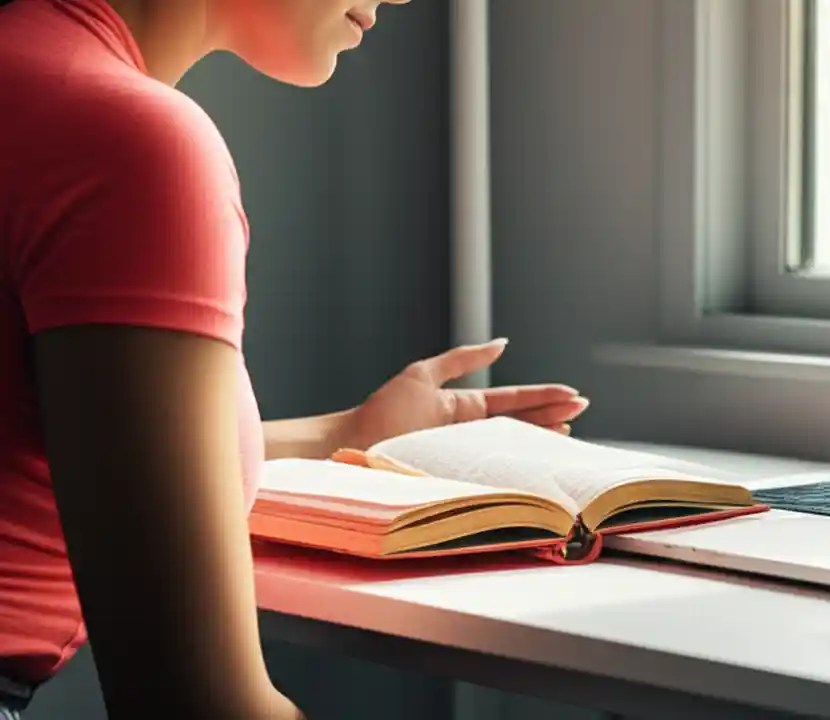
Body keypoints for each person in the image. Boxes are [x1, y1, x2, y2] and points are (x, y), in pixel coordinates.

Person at [0, 0, 591, 717]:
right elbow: (199, 705)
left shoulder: (29, 72)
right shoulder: (128, 143)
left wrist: (341, 436)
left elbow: (63, 447)